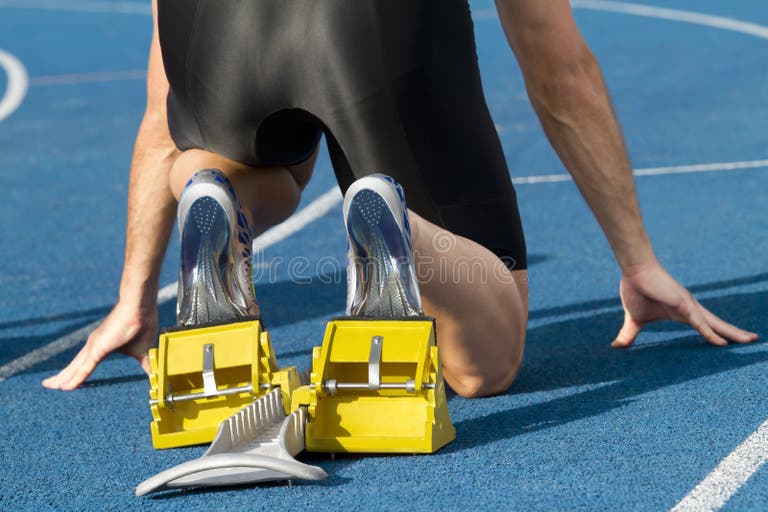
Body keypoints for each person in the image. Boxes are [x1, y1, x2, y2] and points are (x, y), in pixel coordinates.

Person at [42, 0, 757, 395]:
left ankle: (223, 200)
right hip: (374, 29)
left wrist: (135, 297)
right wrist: (637, 261)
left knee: (221, 165)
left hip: (220, 25)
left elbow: (161, 109)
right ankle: (398, 230)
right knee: (485, 368)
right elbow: (556, 62)